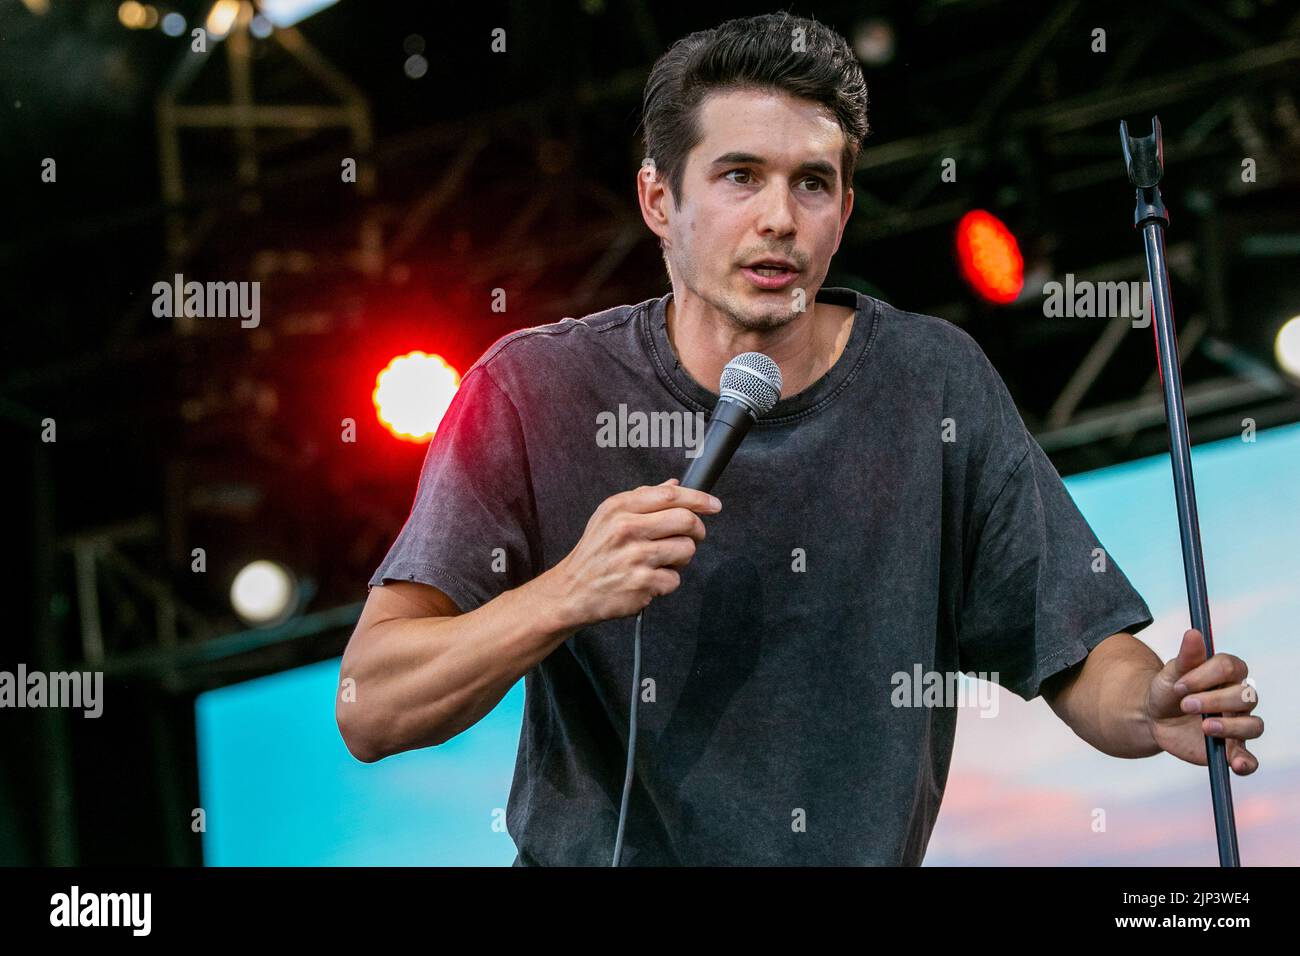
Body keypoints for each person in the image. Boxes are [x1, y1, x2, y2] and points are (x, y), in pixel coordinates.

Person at [336, 12, 1263, 866]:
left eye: (812, 183)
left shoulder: (931, 381)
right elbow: (373, 707)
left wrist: (1151, 704)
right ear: (660, 200)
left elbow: (1076, 647)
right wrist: (565, 594)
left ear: (845, 211)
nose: (780, 216)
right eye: (740, 176)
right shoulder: (532, 391)